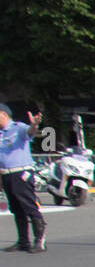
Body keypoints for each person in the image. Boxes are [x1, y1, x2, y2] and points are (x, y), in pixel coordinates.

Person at [0, 103, 47, 253]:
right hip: (6, 174)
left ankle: (40, 241)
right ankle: (23, 241)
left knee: (29, 206)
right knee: (16, 209)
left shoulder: (18, 127)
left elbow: (30, 132)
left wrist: (34, 125)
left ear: (4, 114)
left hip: (22, 173)